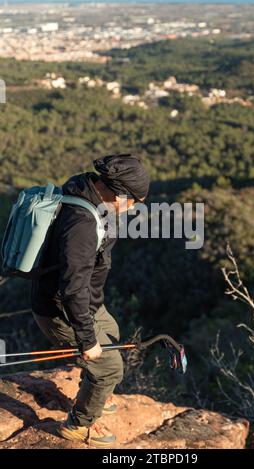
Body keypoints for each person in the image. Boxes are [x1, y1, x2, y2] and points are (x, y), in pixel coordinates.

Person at [31, 153, 150, 447]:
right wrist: (86, 340)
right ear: (118, 192)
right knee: (110, 367)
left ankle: (93, 391)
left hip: (86, 301)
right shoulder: (81, 224)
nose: (133, 207)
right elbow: (72, 288)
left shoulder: (86, 192)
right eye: (133, 200)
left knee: (111, 334)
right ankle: (79, 424)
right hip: (61, 309)